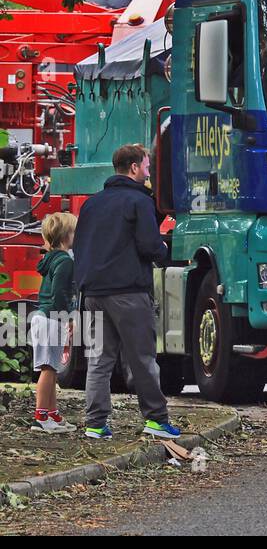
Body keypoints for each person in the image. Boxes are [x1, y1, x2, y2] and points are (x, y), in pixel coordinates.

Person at [74, 143, 180, 441]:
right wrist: (164, 248)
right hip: (128, 293)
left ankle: (95, 424)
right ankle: (156, 419)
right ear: (134, 167)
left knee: (99, 359)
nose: (148, 174)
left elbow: (81, 246)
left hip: (94, 292)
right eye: (147, 167)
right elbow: (149, 245)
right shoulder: (139, 202)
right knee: (142, 358)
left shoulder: (92, 204)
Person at [29, 212, 78, 433]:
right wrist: (68, 315)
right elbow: (60, 292)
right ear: (66, 236)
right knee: (48, 369)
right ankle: (41, 416)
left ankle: (53, 413)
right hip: (52, 319)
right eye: (74, 231)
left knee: (52, 368)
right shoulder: (66, 261)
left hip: (43, 316)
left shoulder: (50, 258)